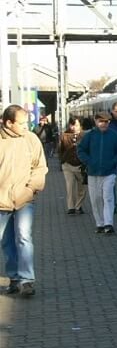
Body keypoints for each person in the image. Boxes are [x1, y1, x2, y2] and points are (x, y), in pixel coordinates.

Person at [0, 105, 48, 297]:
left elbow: (40, 167)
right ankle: (14, 278)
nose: (26, 126)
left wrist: (30, 189)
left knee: (23, 236)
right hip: (2, 201)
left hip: (25, 199)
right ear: (8, 123)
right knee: (6, 241)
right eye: (21, 123)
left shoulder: (31, 139)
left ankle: (27, 280)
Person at [77, 111, 117, 234]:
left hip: (109, 172)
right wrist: (88, 161)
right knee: (95, 199)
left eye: (106, 121)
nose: (104, 124)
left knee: (108, 197)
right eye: (101, 121)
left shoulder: (114, 136)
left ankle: (108, 223)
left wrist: (114, 162)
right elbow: (81, 150)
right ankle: (99, 223)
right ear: (96, 121)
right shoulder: (89, 136)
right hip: (92, 173)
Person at [57, 116, 88, 215]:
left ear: (80, 126)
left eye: (76, 125)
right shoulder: (64, 135)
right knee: (69, 186)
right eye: (72, 125)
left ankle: (78, 206)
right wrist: (62, 160)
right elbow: (60, 149)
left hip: (81, 166)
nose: (74, 127)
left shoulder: (85, 136)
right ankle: (71, 207)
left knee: (81, 188)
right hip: (68, 165)